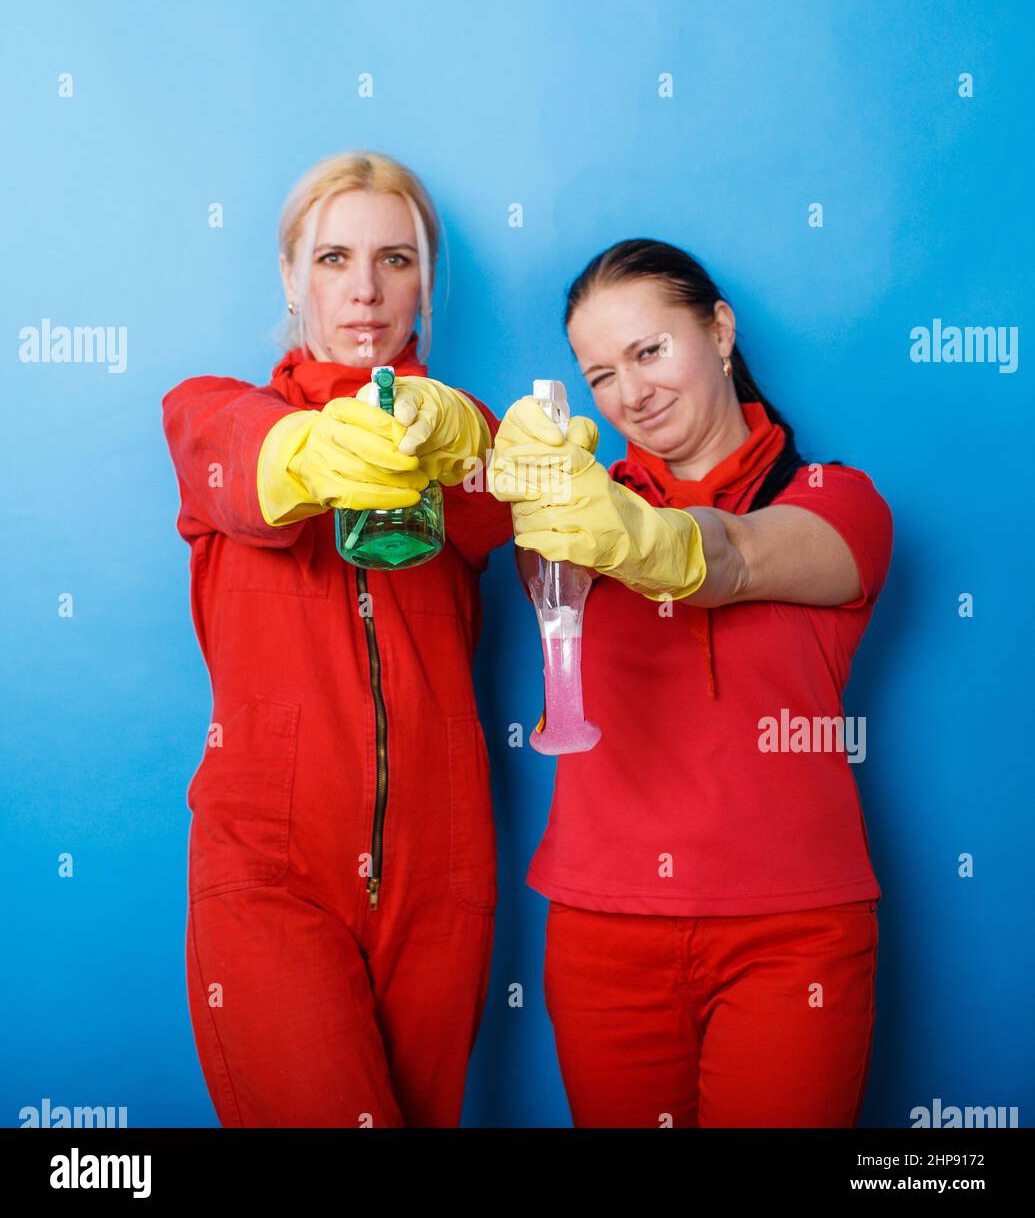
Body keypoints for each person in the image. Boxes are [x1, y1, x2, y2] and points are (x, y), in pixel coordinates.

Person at [487, 238, 894, 1128]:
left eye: (649, 351)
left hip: (792, 932)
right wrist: (486, 458)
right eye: (599, 375)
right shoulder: (563, 512)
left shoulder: (836, 501)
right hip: (601, 930)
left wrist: (636, 536)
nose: (630, 394)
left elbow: (736, 557)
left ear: (718, 330)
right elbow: (450, 487)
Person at [162, 151, 512, 1127]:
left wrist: (451, 436)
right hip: (270, 869)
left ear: (426, 283)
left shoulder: (457, 436)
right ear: (290, 276)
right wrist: (310, 450)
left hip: (441, 871)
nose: (364, 288)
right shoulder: (216, 412)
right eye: (333, 258)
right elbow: (232, 456)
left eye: (396, 259)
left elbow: (501, 501)